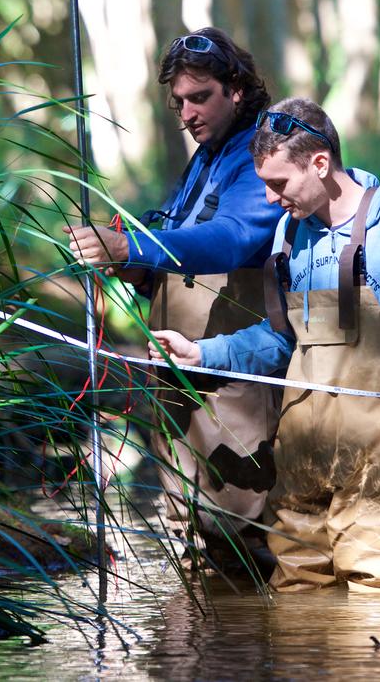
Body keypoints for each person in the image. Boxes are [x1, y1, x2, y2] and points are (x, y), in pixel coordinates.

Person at [148, 96, 380, 593]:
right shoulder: (287, 235)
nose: (272, 198)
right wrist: (202, 353)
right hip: (301, 464)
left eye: (279, 184)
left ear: (319, 163)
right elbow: (282, 340)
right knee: (297, 594)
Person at [64, 28, 284, 572]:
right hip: (179, 377)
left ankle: (264, 648)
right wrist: (127, 261)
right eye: (179, 101)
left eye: (200, 96)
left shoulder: (262, 149)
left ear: (236, 89)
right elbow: (175, 252)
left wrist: (132, 243)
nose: (186, 113)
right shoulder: (205, 158)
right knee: (189, 525)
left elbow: (235, 238)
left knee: (244, 531)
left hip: (235, 371)